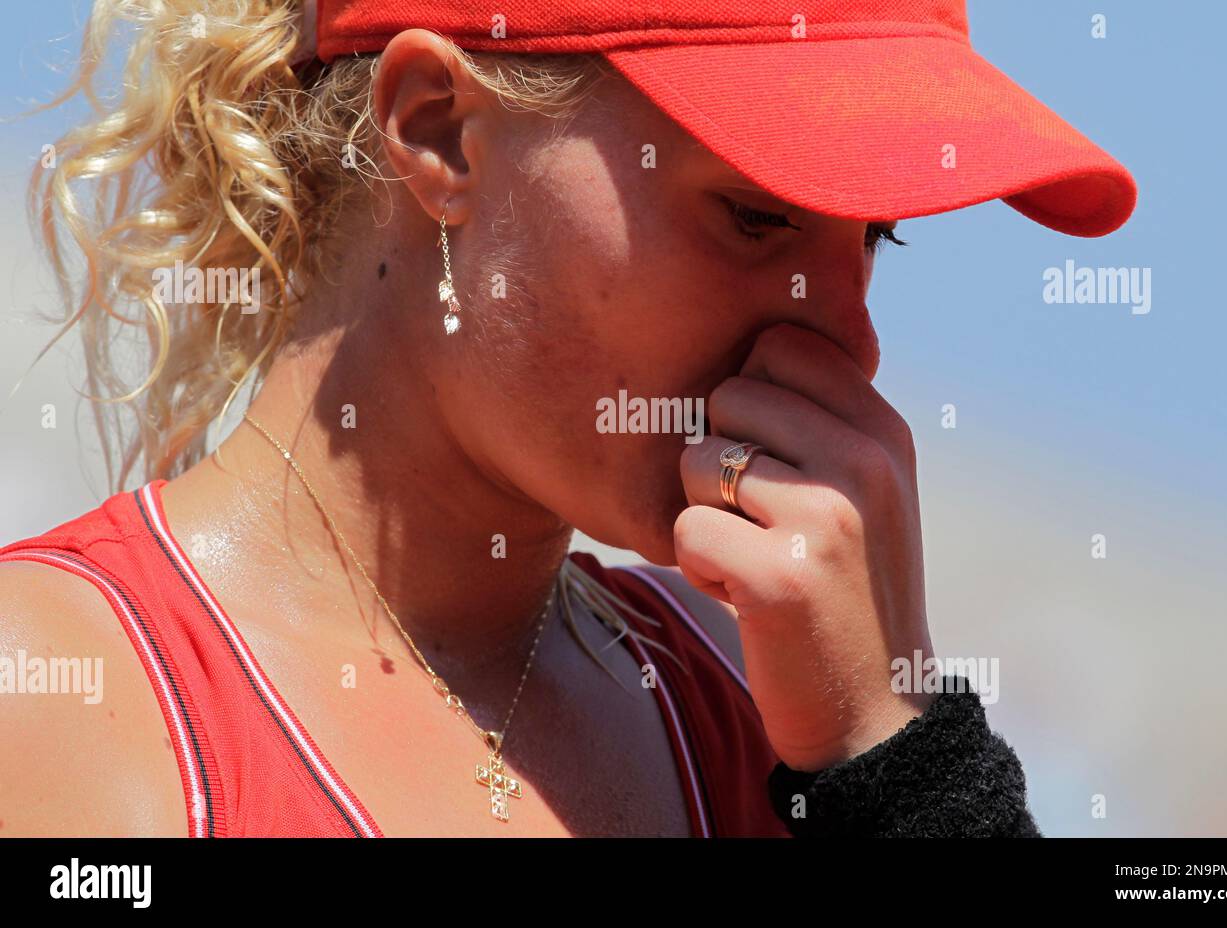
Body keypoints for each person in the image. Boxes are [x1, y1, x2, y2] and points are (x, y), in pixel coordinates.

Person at [0, 0, 1135, 836]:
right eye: (755, 217)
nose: (848, 342)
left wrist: (899, 766)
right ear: (439, 131)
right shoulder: (57, 697)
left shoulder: (773, 703)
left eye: (875, 237)